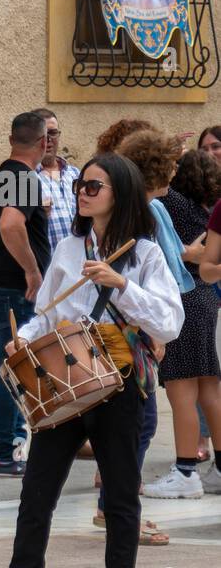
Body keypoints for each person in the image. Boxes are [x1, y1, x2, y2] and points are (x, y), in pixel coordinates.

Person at [0, 154, 184, 568]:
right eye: (81, 186)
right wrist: (23, 338)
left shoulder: (145, 253)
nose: (83, 192)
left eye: (94, 186)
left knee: (120, 501)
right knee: (35, 495)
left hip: (118, 386)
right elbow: (47, 314)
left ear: (120, 193)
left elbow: (170, 322)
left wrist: (121, 284)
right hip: (65, 382)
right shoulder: (69, 248)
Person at [104, 128, 195, 545]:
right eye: (171, 164)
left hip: (126, 327)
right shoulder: (145, 212)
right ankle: (119, 510)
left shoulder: (127, 207)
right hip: (133, 330)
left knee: (129, 425)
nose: (176, 172)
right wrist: (153, 331)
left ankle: (116, 506)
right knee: (139, 424)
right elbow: (152, 274)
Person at [141, 149, 221, 499]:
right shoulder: (207, 208)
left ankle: (185, 471)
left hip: (184, 298)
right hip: (206, 298)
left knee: (181, 391)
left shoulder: (173, 204)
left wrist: (159, 150)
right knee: (209, 390)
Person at [0, 112, 50, 476]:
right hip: (13, 290)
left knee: (3, 365)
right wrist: (33, 270)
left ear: (10, 139)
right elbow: (10, 223)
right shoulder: (24, 178)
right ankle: (7, 452)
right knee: (15, 368)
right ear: (44, 142)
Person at [33, 108, 81, 251]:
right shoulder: (22, 177)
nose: (48, 140)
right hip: (44, 268)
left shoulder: (75, 174)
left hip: (79, 267)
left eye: (53, 133)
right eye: (42, 134)